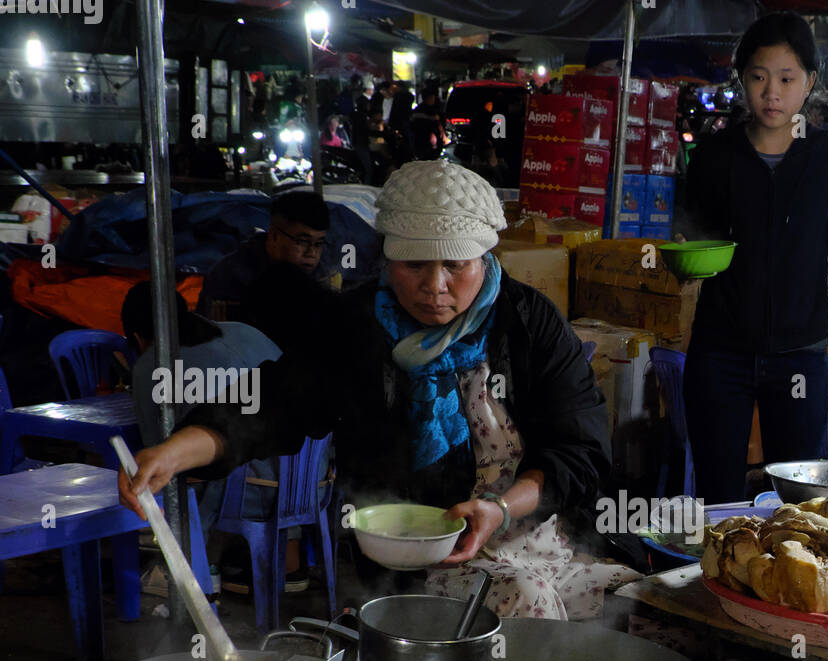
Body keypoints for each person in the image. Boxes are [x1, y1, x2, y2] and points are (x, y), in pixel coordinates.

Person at [118, 161, 636, 621]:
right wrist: (172, 452)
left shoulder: (530, 323)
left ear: (484, 259)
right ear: (387, 261)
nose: (435, 285)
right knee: (524, 602)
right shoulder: (354, 324)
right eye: (415, 265)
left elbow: (580, 448)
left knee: (644, 609)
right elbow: (274, 403)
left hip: (538, 540)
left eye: (455, 265)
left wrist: (500, 509)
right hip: (410, 565)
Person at [675, 12, 828, 504]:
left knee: (801, 505)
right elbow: (691, 241)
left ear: (810, 83)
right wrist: (681, 261)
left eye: (787, 79)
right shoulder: (714, 157)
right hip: (719, 353)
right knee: (717, 499)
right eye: (759, 78)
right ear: (742, 79)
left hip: (800, 356)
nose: (771, 94)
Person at [119, 283, 308, 593]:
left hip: (254, 492)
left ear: (137, 337)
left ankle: (201, 568)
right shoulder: (245, 332)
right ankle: (288, 562)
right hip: (309, 484)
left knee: (182, 471)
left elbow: (164, 465)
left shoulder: (153, 364)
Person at [197, 191, 338, 324]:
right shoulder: (231, 276)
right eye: (302, 241)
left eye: (318, 244)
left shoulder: (323, 274)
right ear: (274, 235)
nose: (311, 253)